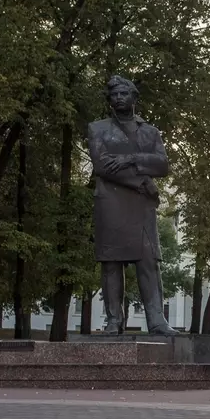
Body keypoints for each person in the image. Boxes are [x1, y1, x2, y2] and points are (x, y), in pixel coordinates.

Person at [86, 75, 174, 335]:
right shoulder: (97, 128)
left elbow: (162, 165)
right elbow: (102, 166)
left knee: (148, 261)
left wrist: (129, 158)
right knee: (111, 262)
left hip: (142, 207)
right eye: (114, 95)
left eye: (124, 94)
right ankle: (114, 320)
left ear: (135, 97)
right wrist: (142, 182)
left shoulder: (150, 131)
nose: (118, 98)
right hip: (112, 202)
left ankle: (157, 321)